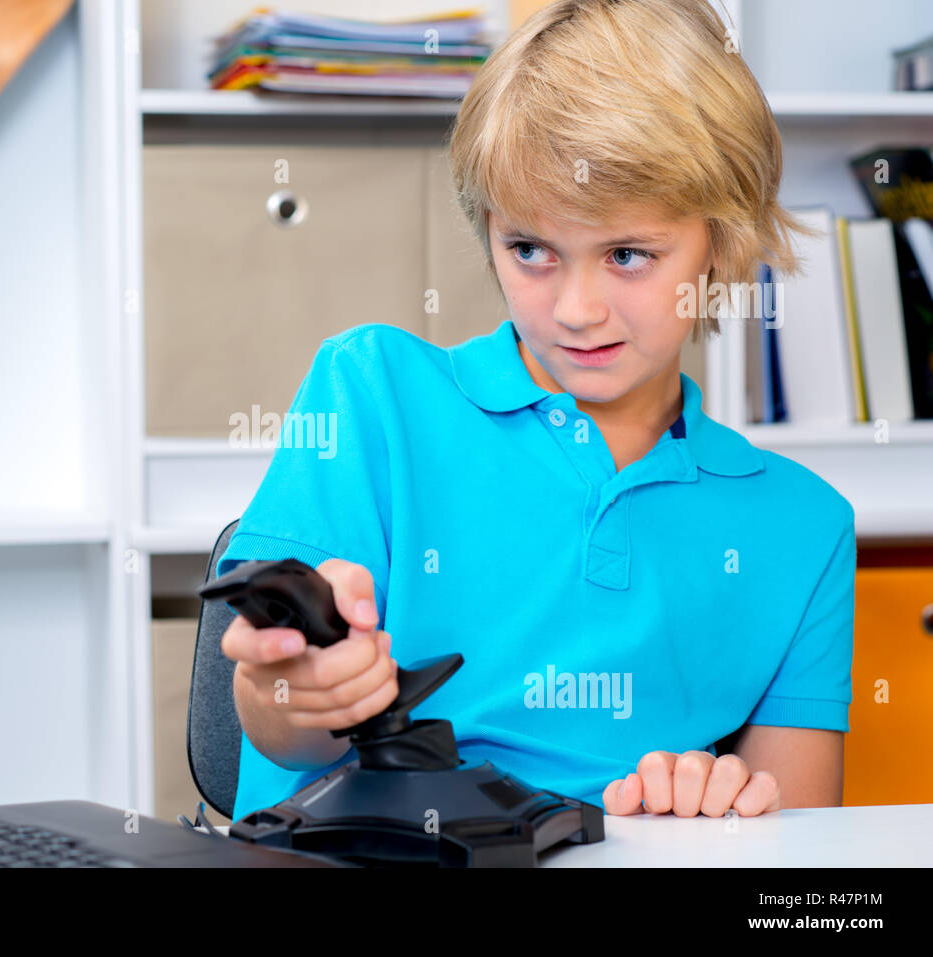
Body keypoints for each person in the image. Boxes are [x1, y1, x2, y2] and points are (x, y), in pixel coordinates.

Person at [216, 0, 854, 822]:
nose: (576, 309)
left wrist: (719, 814)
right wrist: (297, 687)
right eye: (530, 250)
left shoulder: (803, 528)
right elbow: (274, 717)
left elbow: (799, 876)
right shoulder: (373, 395)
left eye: (628, 255)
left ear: (724, 244)